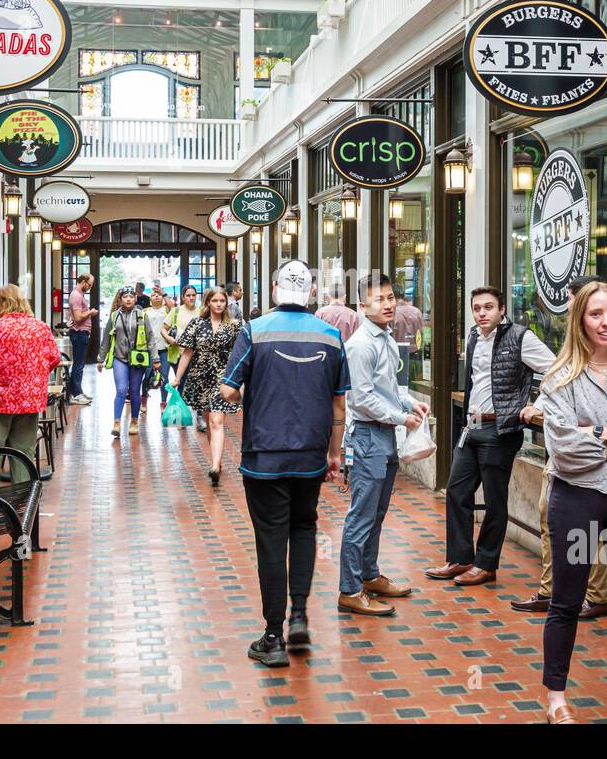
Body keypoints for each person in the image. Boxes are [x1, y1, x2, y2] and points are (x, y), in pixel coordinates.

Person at [220, 260, 349, 667]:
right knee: (304, 527)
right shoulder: (330, 336)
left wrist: (250, 398)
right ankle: (299, 617)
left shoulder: (254, 330)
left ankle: (273, 636)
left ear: (274, 287)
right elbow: (339, 404)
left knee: (271, 538)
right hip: (310, 454)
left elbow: (227, 391)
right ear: (311, 292)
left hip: (264, 455)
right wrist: (334, 454)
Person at [536, 280, 607, 724]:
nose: (606, 323)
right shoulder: (559, 377)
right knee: (567, 601)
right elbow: (563, 450)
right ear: (580, 319)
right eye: (596, 314)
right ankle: (556, 697)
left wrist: (594, 432)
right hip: (576, 499)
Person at [424, 286, 555, 586]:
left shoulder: (521, 337)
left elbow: (557, 369)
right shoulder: (473, 336)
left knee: (495, 501)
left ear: (502, 309)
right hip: (471, 428)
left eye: (488, 307)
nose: (482, 313)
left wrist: (539, 405)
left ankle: (486, 564)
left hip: (501, 429)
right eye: (476, 308)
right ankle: (459, 559)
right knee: (457, 492)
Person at [513, 275, 607, 618]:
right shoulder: (570, 346)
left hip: (599, 471)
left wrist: (589, 433)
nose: (569, 306)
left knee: (595, 537)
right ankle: (549, 591)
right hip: (560, 461)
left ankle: (596, 597)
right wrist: (543, 409)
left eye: (575, 299)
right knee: (547, 519)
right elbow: (558, 390)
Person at [337, 272, 430, 617]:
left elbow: (387, 388)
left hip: (385, 434)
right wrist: (400, 417)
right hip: (368, 435)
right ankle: (349, 589)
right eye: (379, 299)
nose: (388, 304)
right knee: (361, 515)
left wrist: (409, 405)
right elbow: (361, 399)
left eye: (391, 297)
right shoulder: (361, 344)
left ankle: (370, 575)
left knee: (377, 513)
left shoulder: (386, 338)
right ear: (362, 306)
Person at [0, 285, 61, 491]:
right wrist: (32, 378)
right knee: (23, 455)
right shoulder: (41, 328)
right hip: (28, 402)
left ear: (7, 303)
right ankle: (22, 504)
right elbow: (54, 358)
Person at [172, 287, 242, 482]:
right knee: (209, 423)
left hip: (223, 378)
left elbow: (241, 354)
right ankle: (216, 460)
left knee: (217, 421)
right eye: (215, 301)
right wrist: (178, 378)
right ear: (208, 303)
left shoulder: (234, 326)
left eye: (222, 301)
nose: (219, 304)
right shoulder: (197, 323)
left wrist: (242, 379)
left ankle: (214, 466)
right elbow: (187, 352)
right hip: (200, 378)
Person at [97, 286, 159, 439]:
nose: (128, 299)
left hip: (138, 358)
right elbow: (106, 338)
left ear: (135, 298)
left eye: (131, 296)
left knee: (134, 390)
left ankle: (134, 421)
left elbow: (150, 338)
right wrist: (100, 358)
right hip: (120, 358)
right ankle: (116, 423)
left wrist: (155, 358)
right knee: (121, 389)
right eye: (125, 297)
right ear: (121, 299)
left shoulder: (141, 316)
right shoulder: (114, 316)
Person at [163, 284, 203, 427]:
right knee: (182, 384)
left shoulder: (201, 312)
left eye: (193, 295)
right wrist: (169, 338)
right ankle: (182, 416)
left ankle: (199, 416)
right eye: (188, 295)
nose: (191, 298)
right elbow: (164, 329)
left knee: (199, 384)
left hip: (197, 355)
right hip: (178, 354)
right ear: (183, 297)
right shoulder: (175, 311)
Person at [65, 273, 97, 405]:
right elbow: (78, 317)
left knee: (80, 364)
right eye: (89, 284)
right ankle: (76, 394)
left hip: (81, 333)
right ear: (83, 281)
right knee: (78, 364)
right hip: (79, 333)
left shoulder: (78, 295)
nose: (90, 287)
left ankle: (77, 391)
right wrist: (91, 312)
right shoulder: (77, 296)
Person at [142, 290, 171, 407]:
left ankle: (163, 402)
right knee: (147, 376)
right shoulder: (145, 311)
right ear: (150, 299)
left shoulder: (166, 310)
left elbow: (173, 308)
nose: (157, 296)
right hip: (148, 350)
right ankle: (143, 400)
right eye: (154, 295)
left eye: (158, 295)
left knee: (164, 376)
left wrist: (164, 293)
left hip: (164, 348)